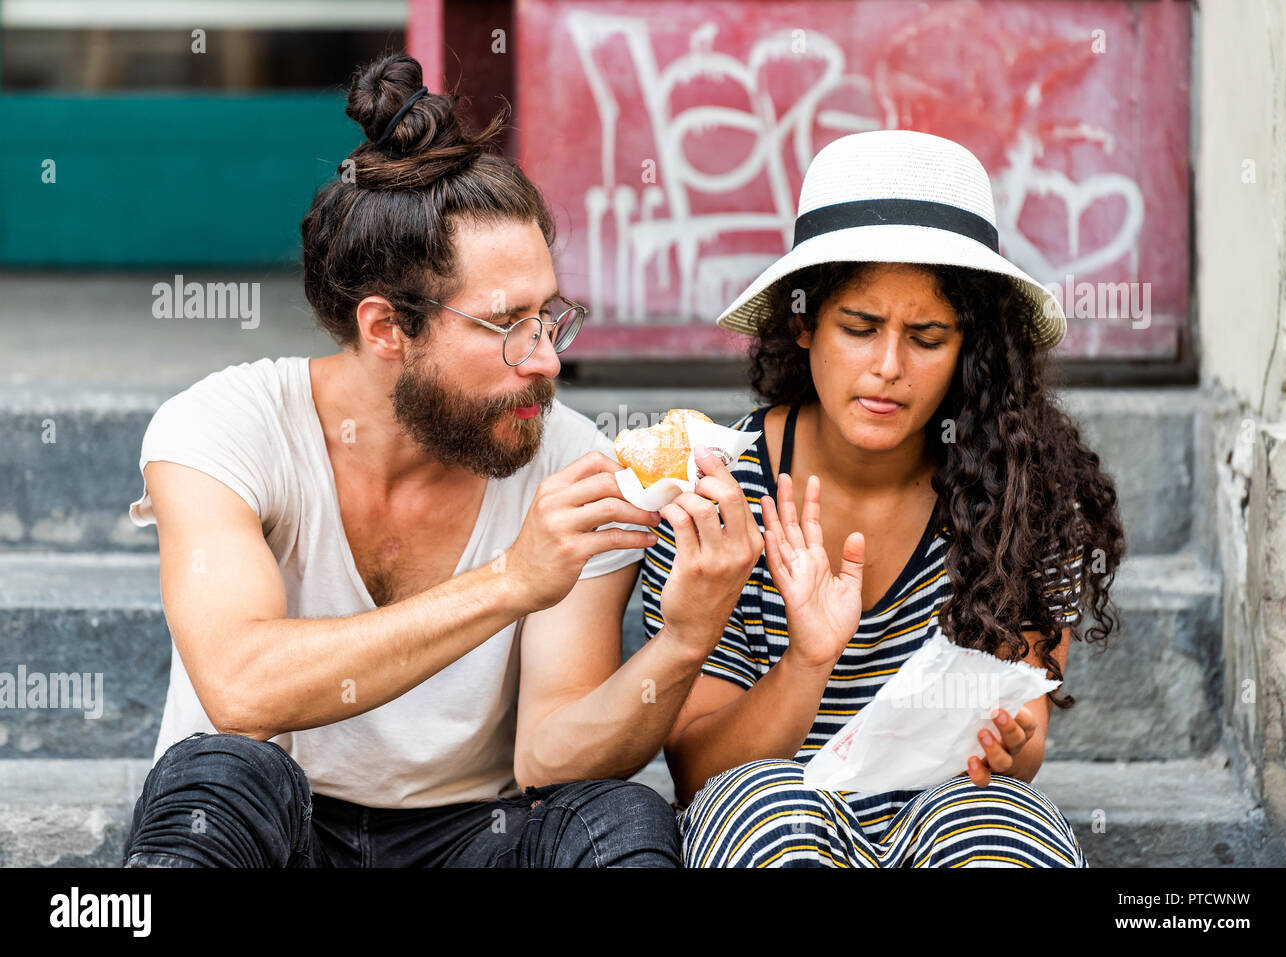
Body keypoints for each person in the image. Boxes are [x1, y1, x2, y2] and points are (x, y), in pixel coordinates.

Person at [119, 53, 751, 868]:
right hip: (275, 831)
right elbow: (241, 687)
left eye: (550, 316)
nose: (547, 359)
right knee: (219, 771)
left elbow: (550, 759)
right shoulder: (223, 427)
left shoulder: (568, 458)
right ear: (386, 329)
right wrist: (512, 581)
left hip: (475, 838)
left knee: (618, 816)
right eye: (507, 325)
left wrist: (681, 642)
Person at [640, 129, 1126, 867]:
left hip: (949, 805)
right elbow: (700, 772)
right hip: (772, 805)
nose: (888, 367)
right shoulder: (718, 494)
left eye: (928, 337)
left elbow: (1015, 757)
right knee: (760, 806)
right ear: (802, 321)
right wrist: (807, 660)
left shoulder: (1023, 493)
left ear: (972, 347)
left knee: (1007, 826)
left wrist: (1011, 743)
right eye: (860, 328)